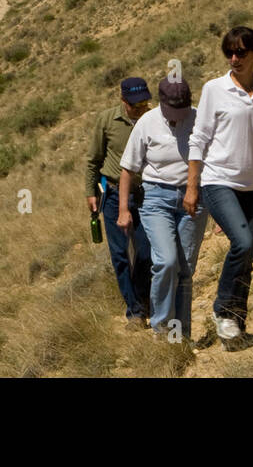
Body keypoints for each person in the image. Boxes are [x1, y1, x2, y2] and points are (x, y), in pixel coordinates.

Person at [186, 26, 253, 347]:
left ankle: (236, 324)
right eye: (229, 52)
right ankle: (222, 311)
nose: (234, 58)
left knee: (249, 256)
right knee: (242, 243)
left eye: (241, 52)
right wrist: (192, 186)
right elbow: (198, 139)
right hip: (218, 181)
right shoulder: (214, 89)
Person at [118, 77, 206, 342]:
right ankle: (161, 328)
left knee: (185, 269)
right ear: (162, 104)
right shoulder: (147, 123)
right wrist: (124, 209)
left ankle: (181, 336)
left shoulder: (199, 118)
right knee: (166, 261)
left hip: (195, 199)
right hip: (157, 198)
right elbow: (127, 169)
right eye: (173, 112)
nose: (178, 117)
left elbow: (214, 163)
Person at [86, 77, 154, 327]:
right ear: (123, 100)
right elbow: (93, 160)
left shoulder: (153, 118)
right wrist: (90, 192)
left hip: (146, 193)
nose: (141, 109)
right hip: (113, 195)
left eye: (144, 103)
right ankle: (135, 311)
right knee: (120, 255)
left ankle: (144, 297)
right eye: (135, 105)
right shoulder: (106, 121)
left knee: (147, 252)